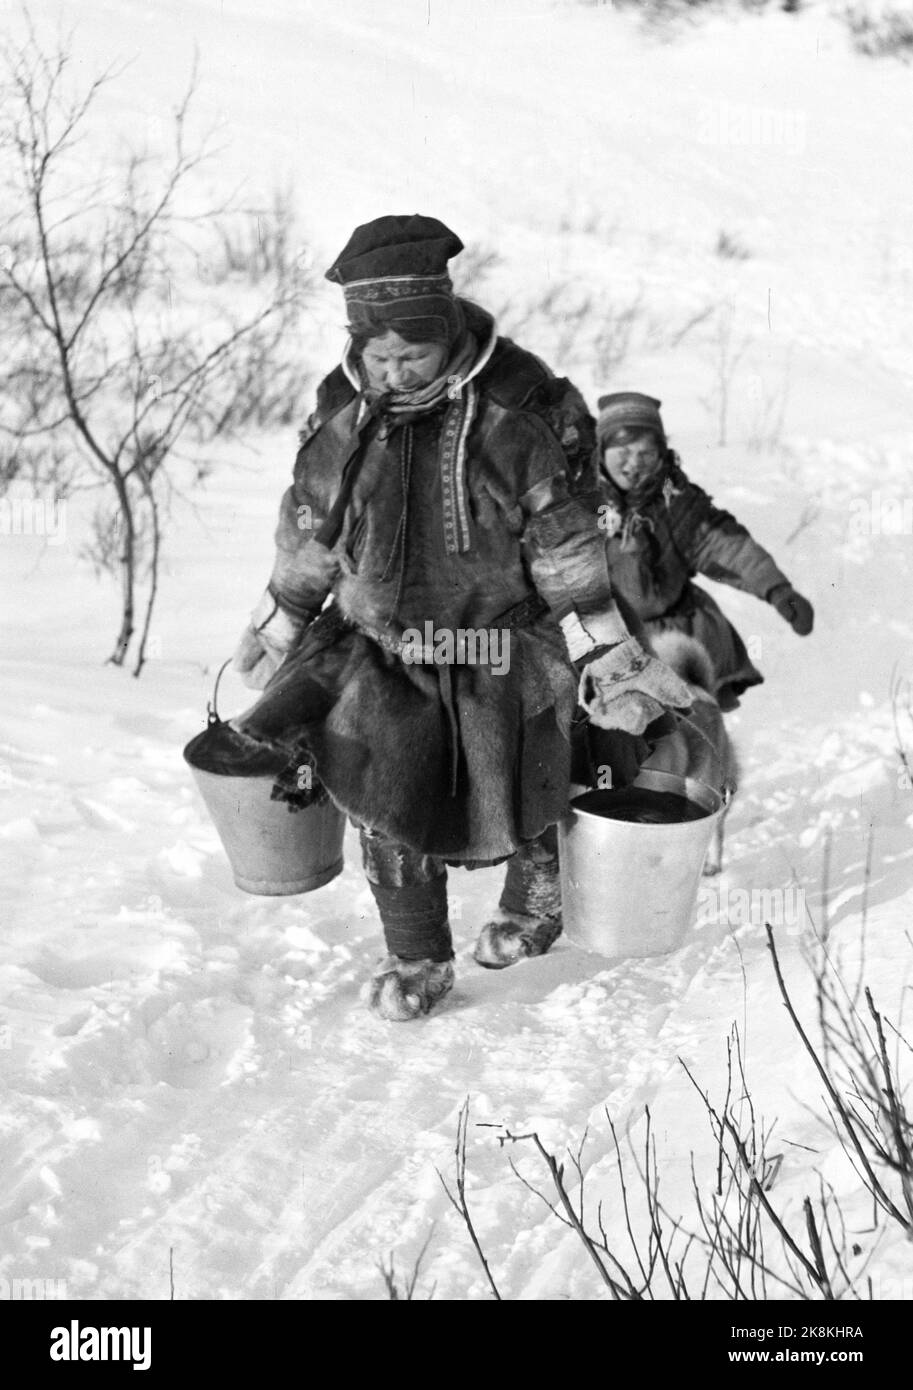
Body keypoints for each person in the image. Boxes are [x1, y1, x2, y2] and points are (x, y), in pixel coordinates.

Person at [230, 216, 692, 1021]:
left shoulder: (517, 412)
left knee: (523, 782)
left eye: (414, 356)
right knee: (383, 794)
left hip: (500, 640)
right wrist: (281, 620)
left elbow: (565, 547)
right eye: (379, 357)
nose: (395, 372)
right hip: (382, 645)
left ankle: (532, 901)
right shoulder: (344, 411)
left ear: (446, 333)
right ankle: (416, 956)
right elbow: (310, 524)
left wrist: (604, 655)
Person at [593, 392, 813, 711]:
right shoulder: (577, 506)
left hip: (675, 640)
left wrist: (778, 590)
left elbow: (728, 548)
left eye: (646, 453)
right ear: (601, 451)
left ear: (661, 455)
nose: (633, 464)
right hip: (608, 643)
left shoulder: (678, 504)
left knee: (682, 736)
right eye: (622, 451)